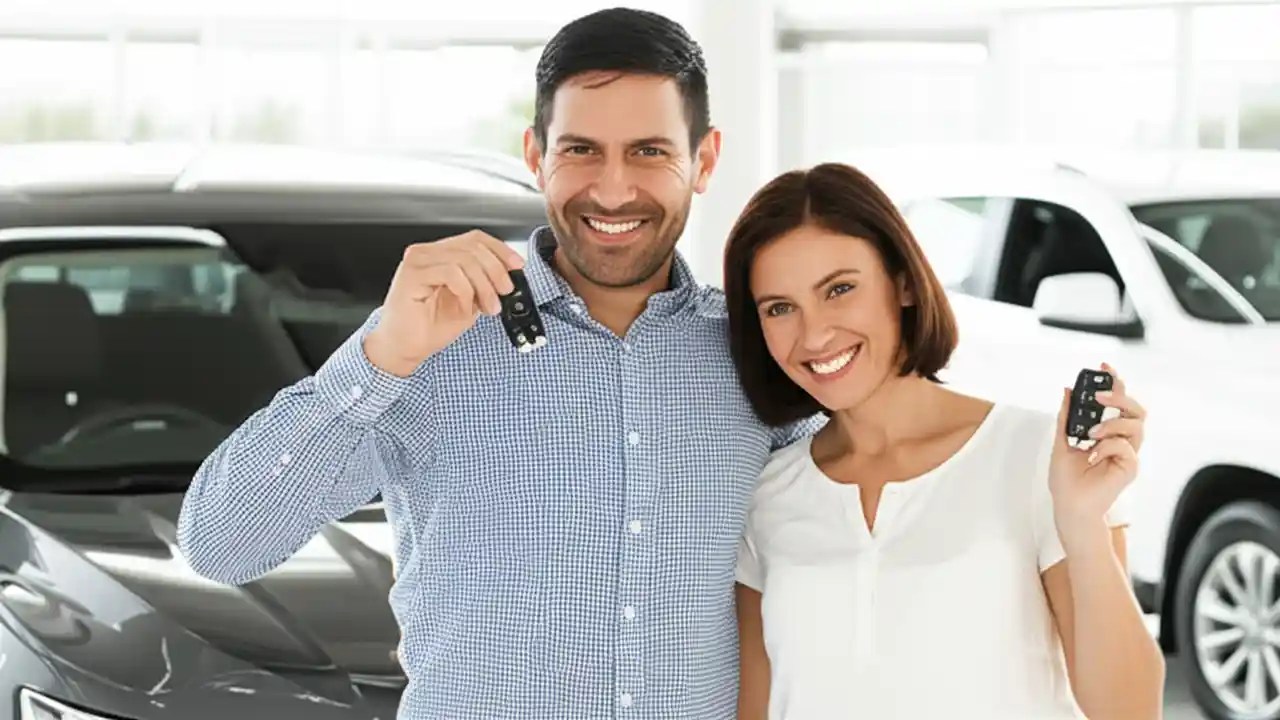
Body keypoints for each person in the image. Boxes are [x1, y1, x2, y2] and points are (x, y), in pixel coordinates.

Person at [176, 8, 820, 720]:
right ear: (535, 154)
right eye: (580, 150)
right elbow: (219, 544)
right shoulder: (429, 340)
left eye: (648, 151)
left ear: (703, 161)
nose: (611, 189)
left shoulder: (757, 352)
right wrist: (383, 354)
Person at [723, 163, 1166, 719]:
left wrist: (1082, 523)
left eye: (839, 289)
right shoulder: (766, 494)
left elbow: (1128, 711)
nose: (813, 334)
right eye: (780, 308)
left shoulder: (1038, 460)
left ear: (904, 282)